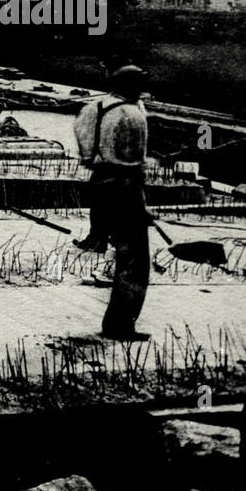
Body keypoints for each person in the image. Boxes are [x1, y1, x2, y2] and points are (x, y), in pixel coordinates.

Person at [75, 65, 153, 342]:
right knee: (134, 260)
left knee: (107, 241)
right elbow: (134, 163)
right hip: (124, 185)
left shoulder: (92, 107)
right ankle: (120, 325)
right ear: (132, 87)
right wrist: (140, 203)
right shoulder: (132, 114)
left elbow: (85, 144)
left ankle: (95, 237)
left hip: (98, 183)